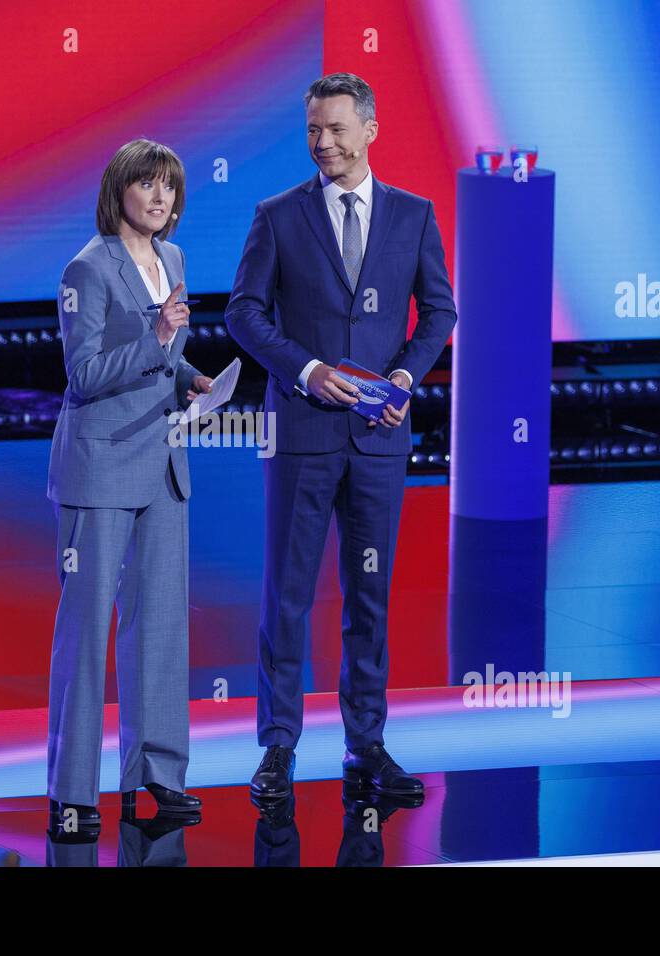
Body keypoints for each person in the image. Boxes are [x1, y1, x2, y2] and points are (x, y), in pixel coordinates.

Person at [225, 73, 458, 801]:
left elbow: (440, 313)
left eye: (334, 130)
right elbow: (243, 313)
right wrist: (308, 368)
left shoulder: (414, 216)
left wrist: (405, 377)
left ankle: (368, 744)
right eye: (312, 132)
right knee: (288, 596)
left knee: (370, 596)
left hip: (380, 438)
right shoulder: (277, 215)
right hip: (303, 433)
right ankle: (278, 748)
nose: (322, 144)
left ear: (370, 128)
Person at [46, 138, 213, 830]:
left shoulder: (169, 259)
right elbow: (82, 373)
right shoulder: (86, 269)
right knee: (86, 632)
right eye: (147, 185)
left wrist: (193, 376)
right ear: (120, 190)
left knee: (161, 626)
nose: (160, 198)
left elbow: (162, 357)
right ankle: (72, 793)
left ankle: (159, 775)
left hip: (163, 463)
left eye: (169, 188)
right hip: (102, 466)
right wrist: (157, 340)